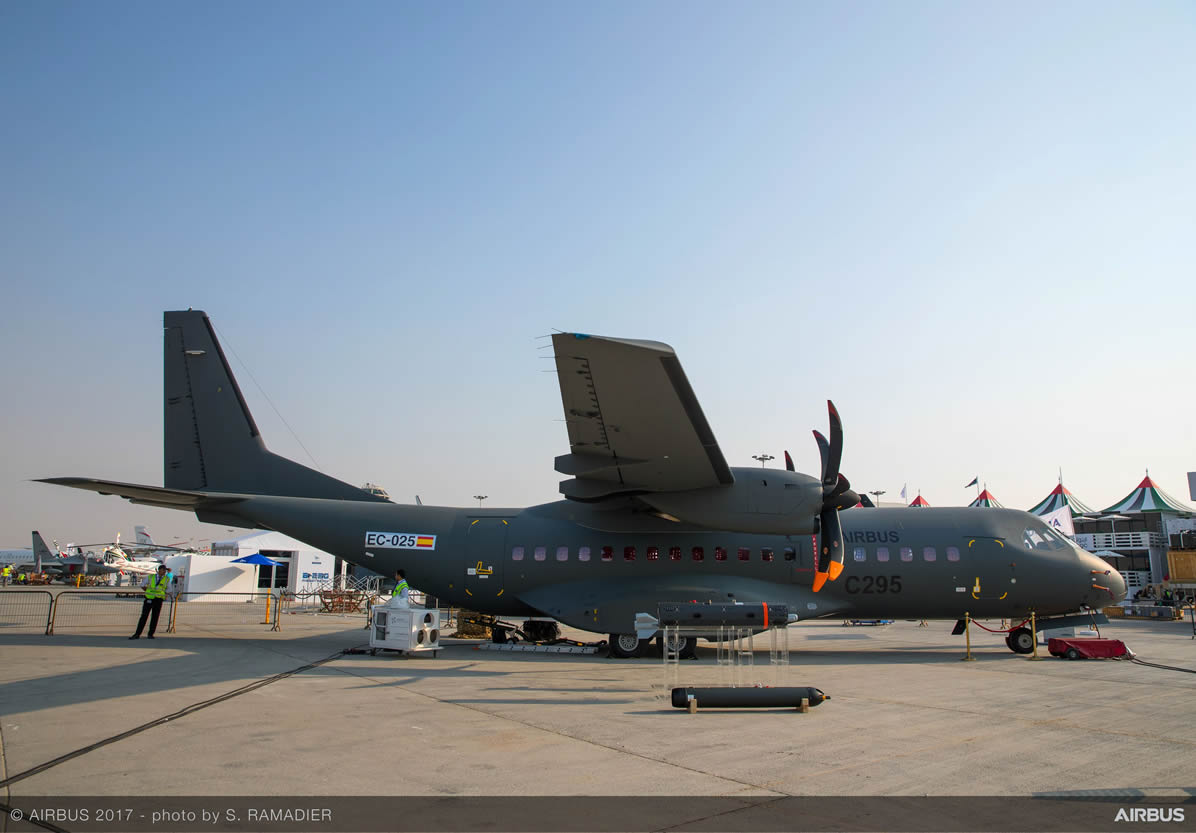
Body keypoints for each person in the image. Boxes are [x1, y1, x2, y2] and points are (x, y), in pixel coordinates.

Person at [130, 565, 170, 639]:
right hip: (149, 598)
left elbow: (168, 589)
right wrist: (148, 592)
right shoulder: (150, 577)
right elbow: (142, 585)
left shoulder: (166, 579)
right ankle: (137, 633)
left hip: (158, 599)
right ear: (159, 570)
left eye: (165, 570)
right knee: (144, 616)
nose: (164, 572)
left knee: (155, 617)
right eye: (163, 570)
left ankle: (151, 634)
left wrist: (165, 594)